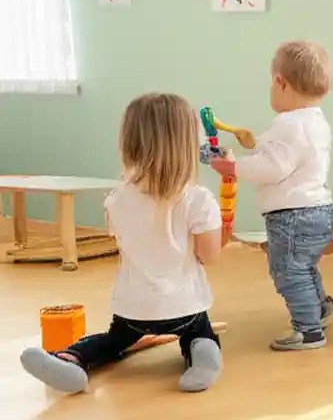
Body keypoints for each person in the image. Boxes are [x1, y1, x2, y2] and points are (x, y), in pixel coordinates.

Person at [19, 93, 224, 393]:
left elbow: (128, 242)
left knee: (111, 342)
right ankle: (202, 353)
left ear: (129, 143)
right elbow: (209, 255)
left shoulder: (116, 200)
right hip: (186, 307)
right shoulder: (198, 198)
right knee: (198, 331)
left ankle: (71, 357)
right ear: (186, 145)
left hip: (133, 310)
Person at [211, 41, 333, 351]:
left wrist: (233, 167)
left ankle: (308, 331)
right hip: (319, 210)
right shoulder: (316, 121)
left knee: (288, 271)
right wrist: (253, 148)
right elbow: (283, 158)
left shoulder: (288, 123)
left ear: (280, 82)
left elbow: (273, 168)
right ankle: (318, 308)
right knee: (303, 267)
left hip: (292, 217)